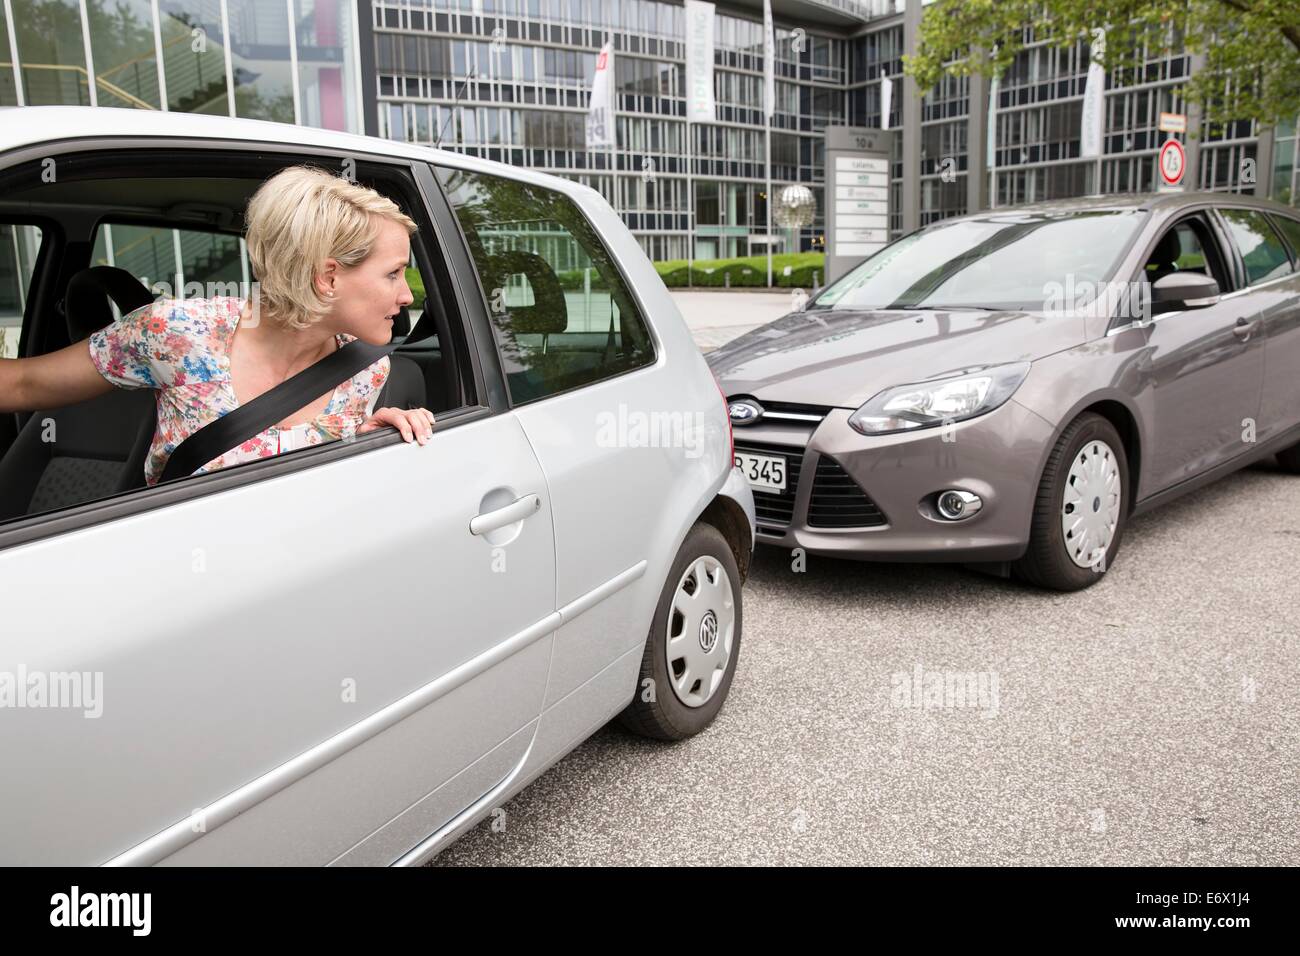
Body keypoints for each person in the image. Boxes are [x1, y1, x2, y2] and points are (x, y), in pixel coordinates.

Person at [0, 165, 435, 486]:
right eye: (394, 273)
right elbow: (22, 385)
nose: (407, 295)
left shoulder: (366, 371)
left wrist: (365, 446)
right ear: (328, 277)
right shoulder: (177, 332)